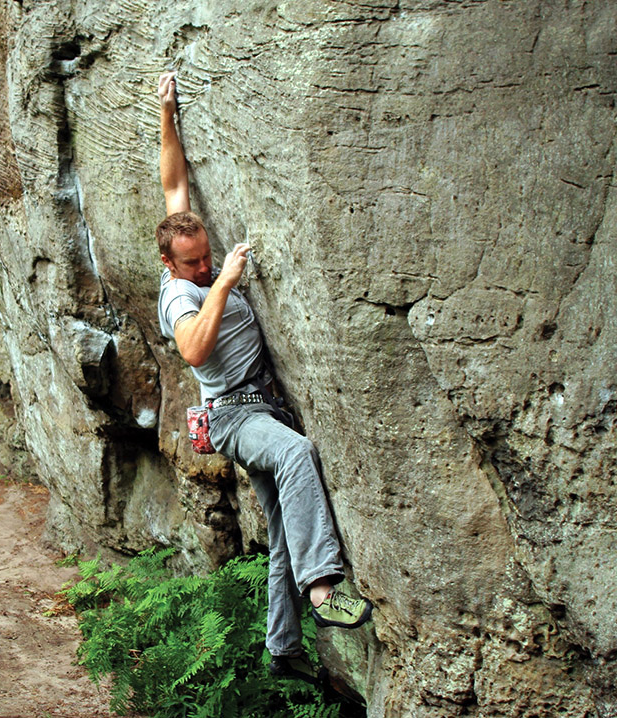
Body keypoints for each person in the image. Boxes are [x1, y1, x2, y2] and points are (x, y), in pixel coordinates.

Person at [154, 71, 373, 680]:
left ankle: (283, 650)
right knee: (299, 455)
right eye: (192, 262)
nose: (202, 264)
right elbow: (195, 351)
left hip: (260, 410)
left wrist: (168, 112)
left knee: (281, 531)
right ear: (170, 262)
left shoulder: (184, 240)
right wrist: (221, 279)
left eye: (205, 256)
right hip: (236, 417)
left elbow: (174, 182)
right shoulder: (181, 294)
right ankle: (327, 592)